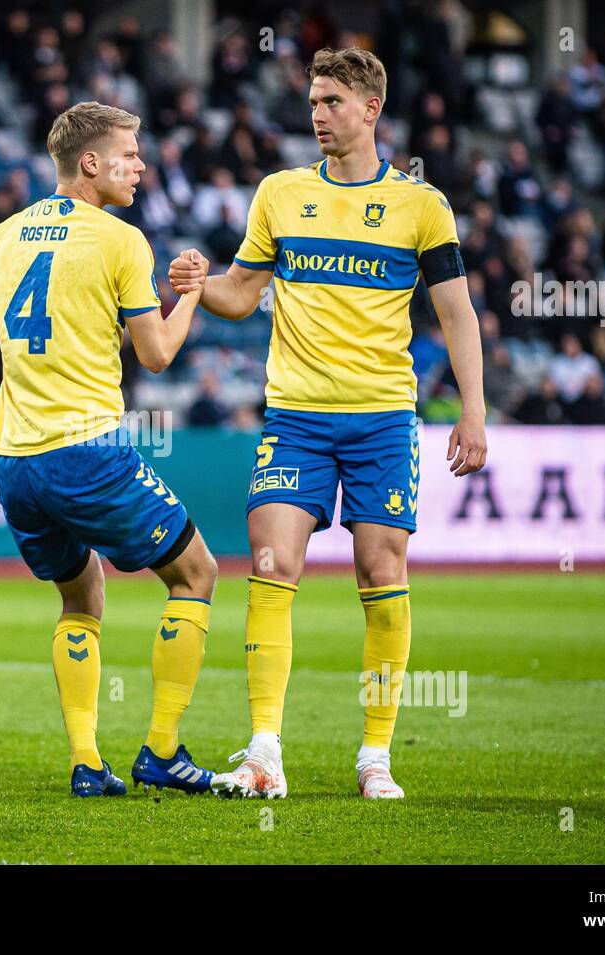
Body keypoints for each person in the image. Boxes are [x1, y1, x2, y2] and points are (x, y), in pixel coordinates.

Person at [170, 48, 488, 800]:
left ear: (371, 109)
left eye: (332, 102)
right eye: (313, 101)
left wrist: (473, 410)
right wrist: (197, 285)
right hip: (296, 418)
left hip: (381, 419)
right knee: (271, 566)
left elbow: (457, 313)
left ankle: (375, 755)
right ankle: (264, 751)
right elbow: (243, 294)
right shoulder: (279, 193)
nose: (318, 115)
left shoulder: (422, 206)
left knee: (382, 572)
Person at [0, 102, 219, 798]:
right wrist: (189, 295)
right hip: (85, 449)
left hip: (12, 458)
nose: (141, 165)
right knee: (196, 573)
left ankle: (87, 762)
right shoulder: (121, 240)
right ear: (89, 163)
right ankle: (160, 750)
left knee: (81, 597)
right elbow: (155, 355)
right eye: (130, 153)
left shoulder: (6, 235)